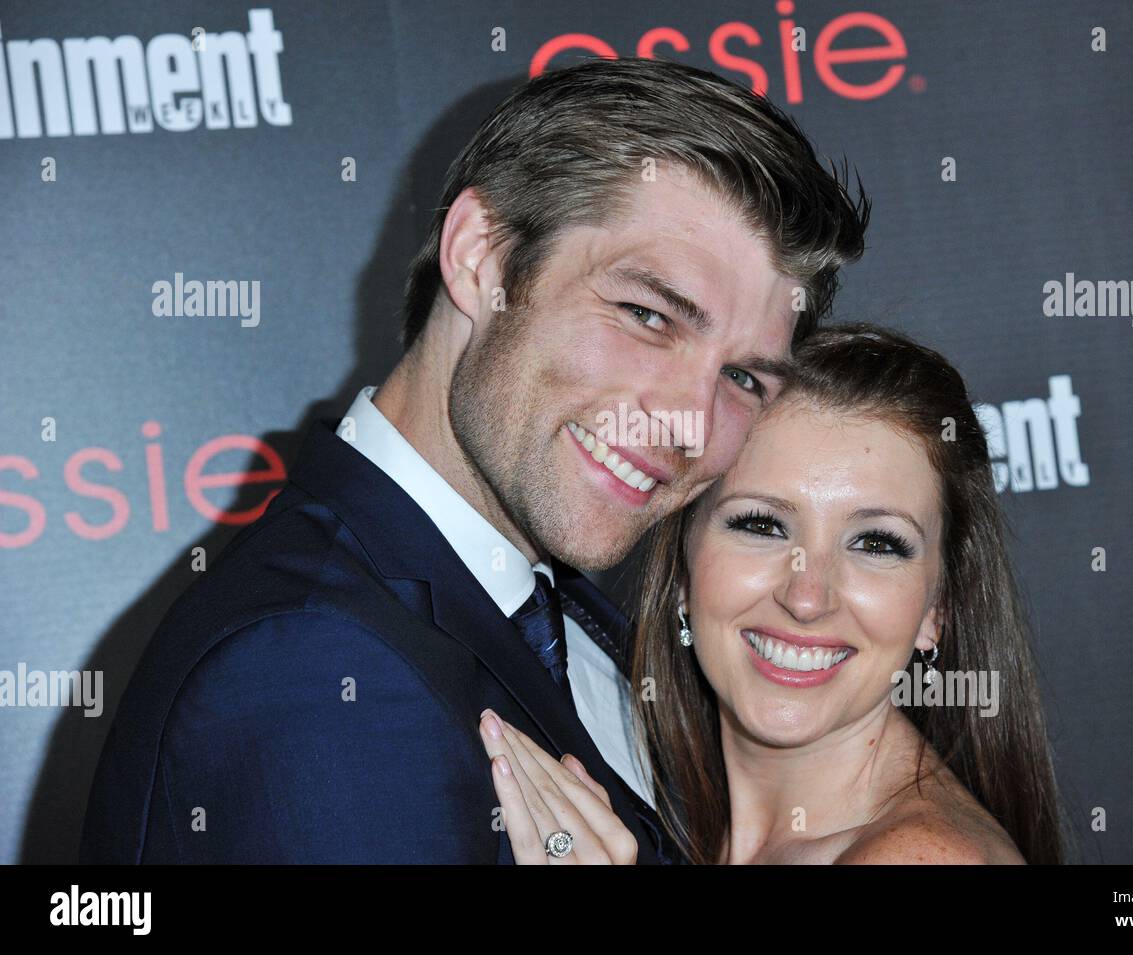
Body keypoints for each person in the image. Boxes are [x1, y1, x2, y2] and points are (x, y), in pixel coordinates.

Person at [79, 56, 869, 863]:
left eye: (741, 377)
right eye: (647, 315)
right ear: (479, 256)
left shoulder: (563, 608)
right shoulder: (318, 675)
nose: (689, 424)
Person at [479, 323, 1065, 864]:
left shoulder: (919, 855)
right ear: (684, 573)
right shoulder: (672, 816)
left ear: (935, 609)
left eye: (876, 544)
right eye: (761, 526)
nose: (807, 598)